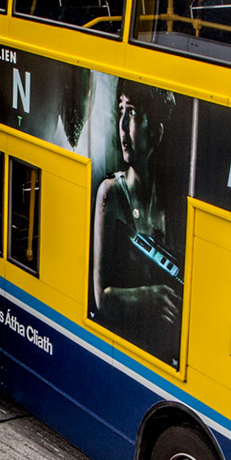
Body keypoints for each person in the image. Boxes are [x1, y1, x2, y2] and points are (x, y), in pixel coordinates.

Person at [90, 82, 182, 361]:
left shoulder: (174, 211)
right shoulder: (112, 194)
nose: (121, 125)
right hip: (119, 349)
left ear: (156, 131)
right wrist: (147, 297)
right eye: (121, 111)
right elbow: (100, 298)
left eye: (132, 113)